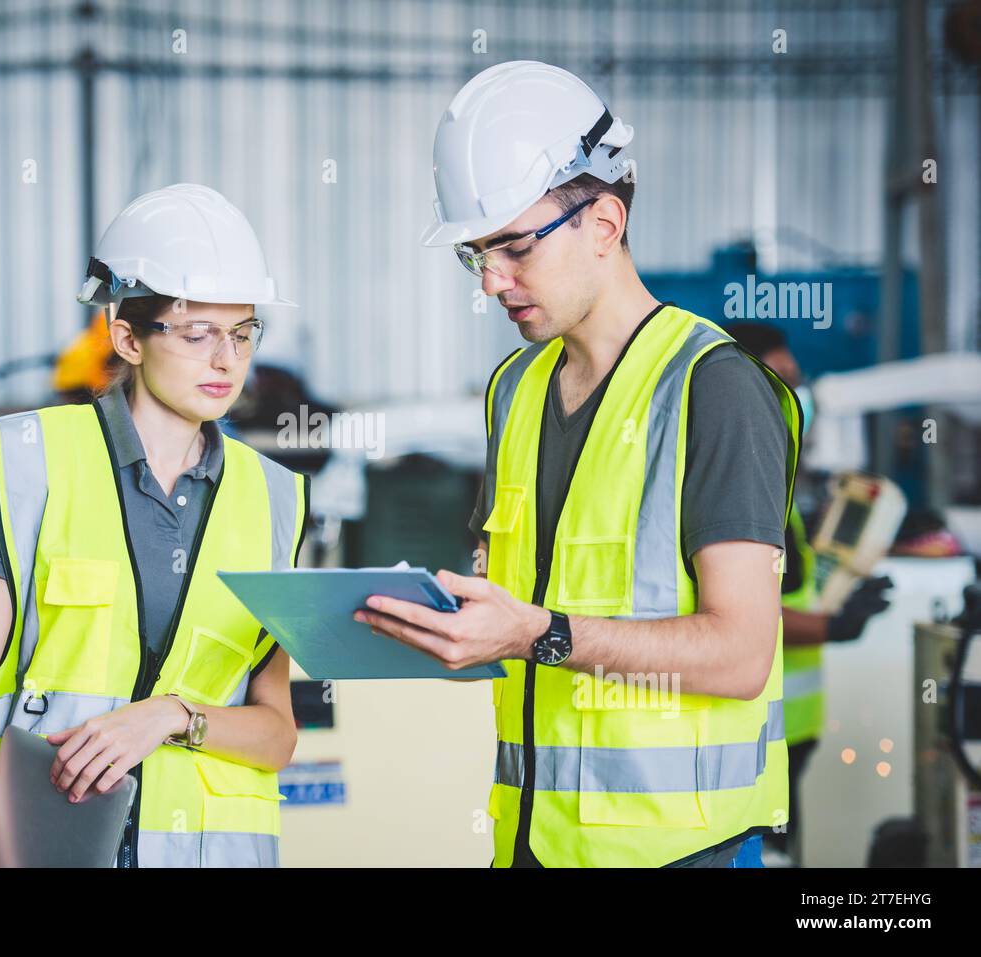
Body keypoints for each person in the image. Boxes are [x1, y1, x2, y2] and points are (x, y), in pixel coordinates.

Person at [355, 61, 802, 867]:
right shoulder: (514, 389)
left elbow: (741, 655)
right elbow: (526, 598)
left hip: (679, 851)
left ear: (603, 222)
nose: (492, 281)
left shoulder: (717, 387)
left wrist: (535, 633)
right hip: (530, 841)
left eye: (513, 247)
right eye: (475, 255)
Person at [0, 184, 308, 868]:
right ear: (127, 337)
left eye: (244, 333)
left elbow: (277, 732)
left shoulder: (274, 497)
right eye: (198, 334)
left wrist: (171, 714)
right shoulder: (32, 464)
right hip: (49, 842)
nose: (227, 360)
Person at [726, 321, 892, 865]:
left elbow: (785, 584)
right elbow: (734, 608)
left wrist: (842, 594)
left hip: (788, 730)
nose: (795, 397)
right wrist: (831, 628)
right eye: (781, 379)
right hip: (749, 733)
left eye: (795, 380)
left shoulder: (776, 475)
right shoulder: (736, 474)